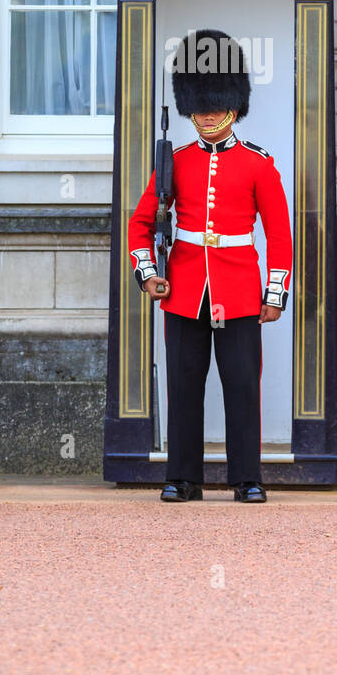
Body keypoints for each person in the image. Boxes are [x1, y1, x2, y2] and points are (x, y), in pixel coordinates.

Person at [128, 29, 293, 504]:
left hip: (240, 290)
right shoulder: (174, 162)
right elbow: (141, 225)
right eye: (199, 107)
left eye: (215, 107)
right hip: (183, 290)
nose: (206, 115)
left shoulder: (259, 164)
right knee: (183, 387)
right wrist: (148, 275)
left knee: (242, 386)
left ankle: (246, 478)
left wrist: (274, 294)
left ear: (234, 108)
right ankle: (183, 477)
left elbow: (279, 236)